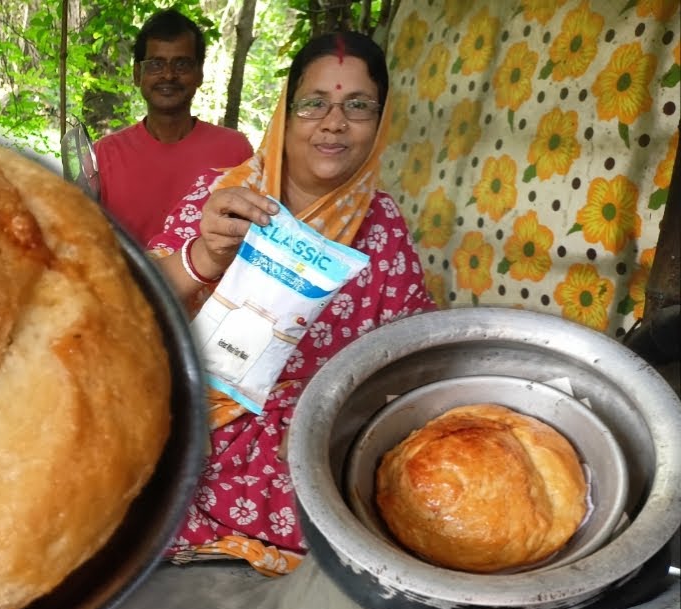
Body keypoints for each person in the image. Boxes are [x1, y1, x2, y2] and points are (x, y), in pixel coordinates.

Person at [147, 31, 438, 575]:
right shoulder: (223, 199)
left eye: (357, 105)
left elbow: (408, 355)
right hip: (197, 426)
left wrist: (335, 425)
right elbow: (133, 313)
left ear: (380, 121)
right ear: (286, 112)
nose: (334, 122)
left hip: (310, 444)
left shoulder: (382, 223)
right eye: (314, 104)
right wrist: (203, 258)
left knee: (398, 510)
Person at [93, 9, 254, 248]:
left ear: (199, 73)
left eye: (182, 64)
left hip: (214, 285)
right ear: (138, 74)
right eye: (156, 64)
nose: (168, 75)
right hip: (126, 284)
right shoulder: (103, 154)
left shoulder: (235, 150)